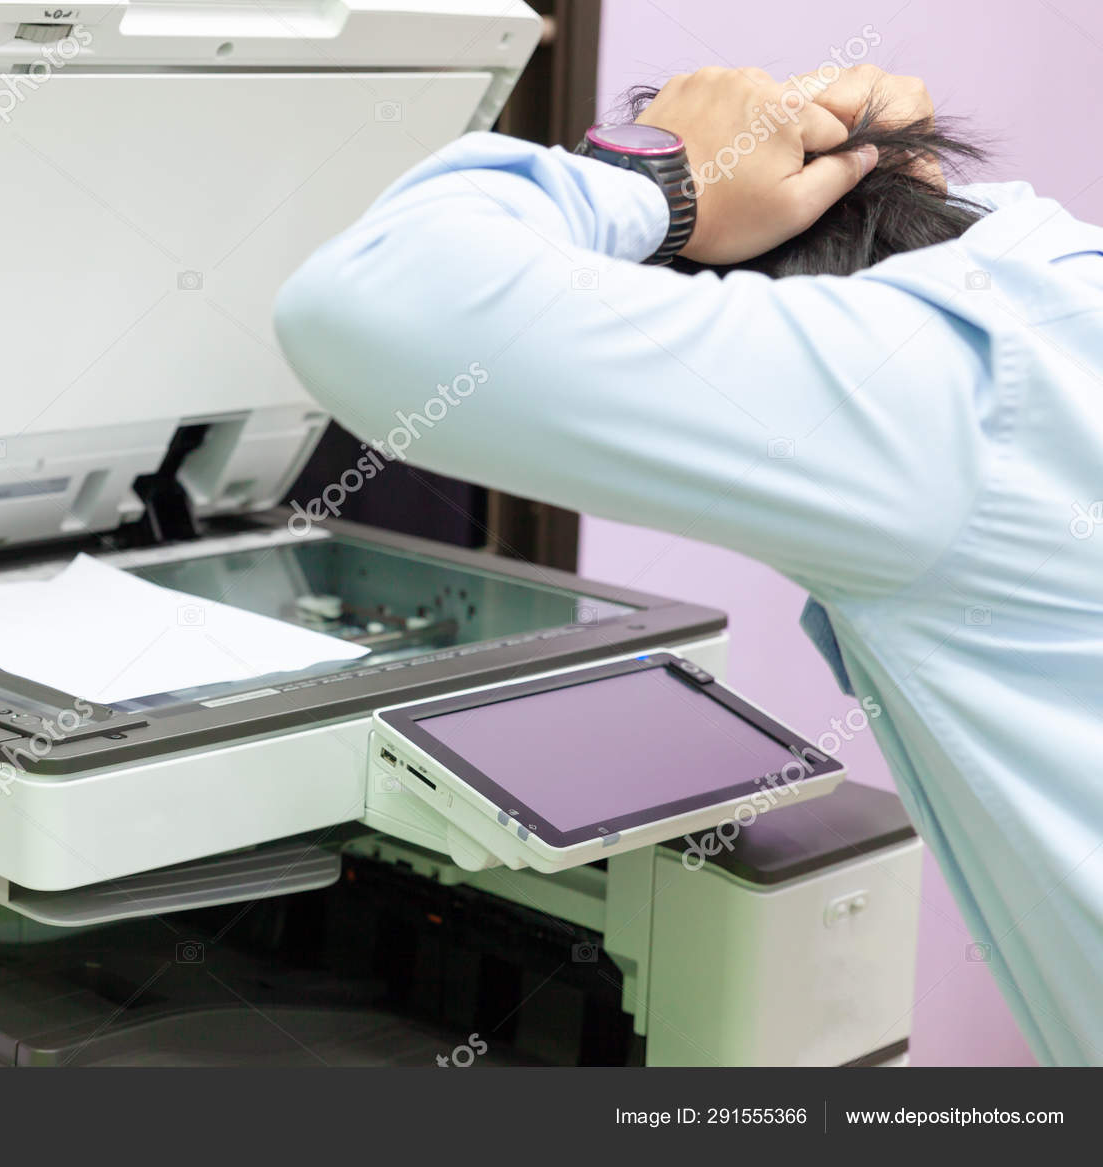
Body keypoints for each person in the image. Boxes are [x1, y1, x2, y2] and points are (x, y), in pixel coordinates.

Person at [274, 63, 1103, 1066]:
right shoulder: (1058, 288)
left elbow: (364, 300)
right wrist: (884, 158)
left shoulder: (939, 393)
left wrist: (651, 182)